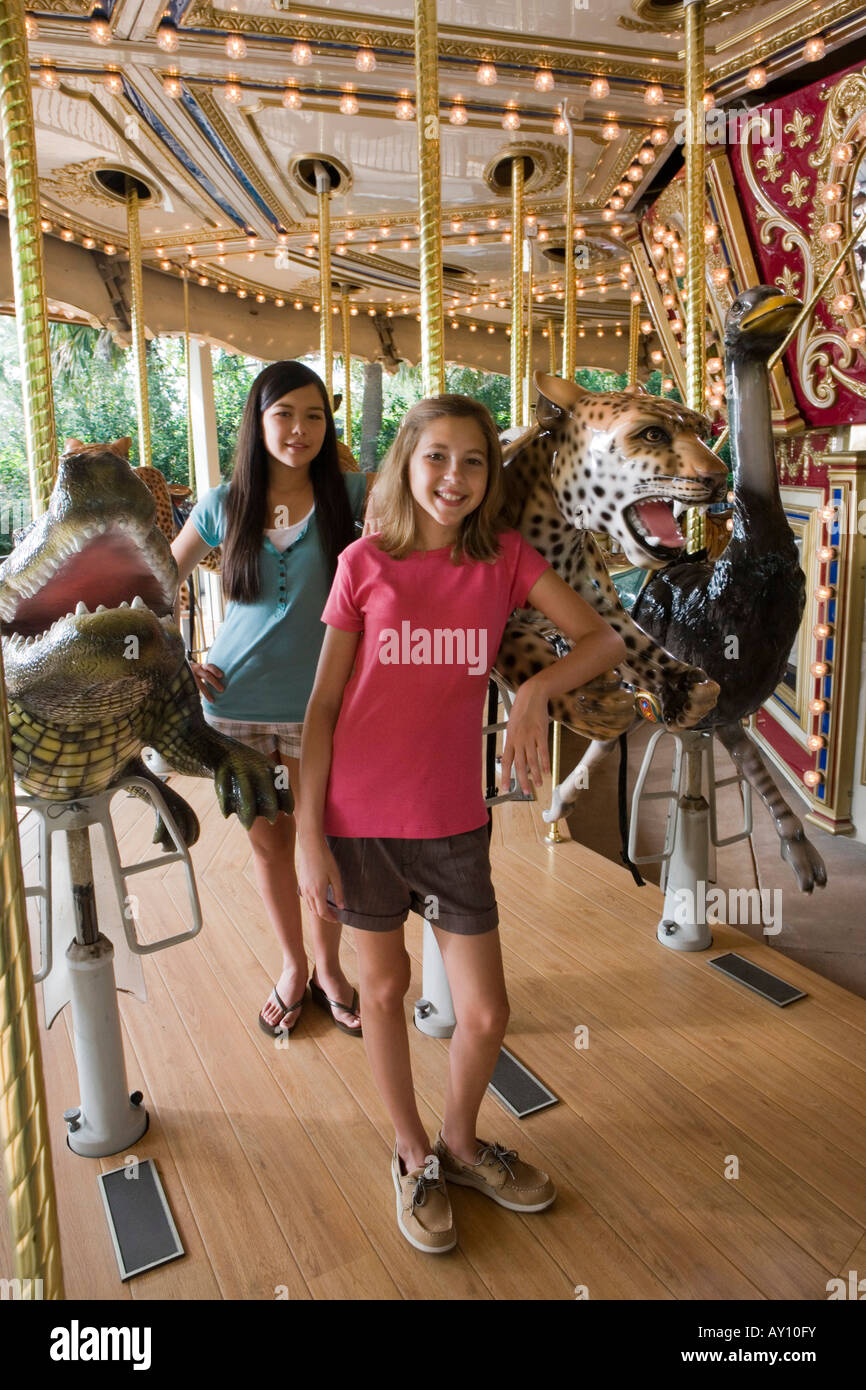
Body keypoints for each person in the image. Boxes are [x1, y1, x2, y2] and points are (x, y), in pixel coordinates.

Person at [296, 394, 627, 1253]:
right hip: (358, 818)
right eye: (437, 457)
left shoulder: (504, 559)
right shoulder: (364, 564)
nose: (454, 476)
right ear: (409, 462)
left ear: (491, 475)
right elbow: (324, 706)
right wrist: (307, 835)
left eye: (474, 460)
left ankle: (460, 1140)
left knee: (484, 1013)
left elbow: (601, 642)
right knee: (384, 991)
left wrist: (536, 690)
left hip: (451, 822)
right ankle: (411, 1152)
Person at [171, 360, 368, 1039]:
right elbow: (155, 578)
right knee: (270, 847)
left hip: (324, 705)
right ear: (258, 422)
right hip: (237, 701)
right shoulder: (225, 503)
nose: (301, 429)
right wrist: (175, 659)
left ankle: (330, 969)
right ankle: (291, 966)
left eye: (315, 416)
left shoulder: (354, 494)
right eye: (284, 414)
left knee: (326, 846)